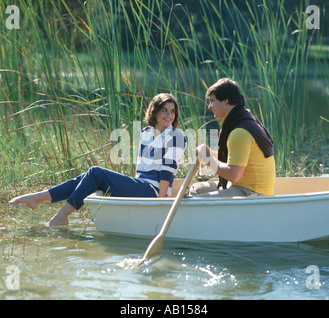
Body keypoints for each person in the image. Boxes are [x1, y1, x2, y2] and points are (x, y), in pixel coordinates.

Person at [9, 93, 187, 226]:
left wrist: (160, 203)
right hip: (140, 185)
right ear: (154, 112)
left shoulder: (177, 136)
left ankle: (61, 216)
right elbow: (141, 168)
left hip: (153, 192)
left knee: (96, 172)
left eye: (172, 111)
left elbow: (167, 173)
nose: (169, 115)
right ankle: (37, 198)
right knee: (87, 177)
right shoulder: (146, 133)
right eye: (164, 110)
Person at [190, 78, 275, 198]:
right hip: (242, 187)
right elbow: (234, 160)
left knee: (197, 200)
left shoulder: (240, 132)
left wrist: (208, 159)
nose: (209, 106)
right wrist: (210, 153)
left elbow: (234, 175)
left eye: (212, 101)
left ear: (226, 101)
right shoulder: (244, 121)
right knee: (196, 189)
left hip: (251, 193)